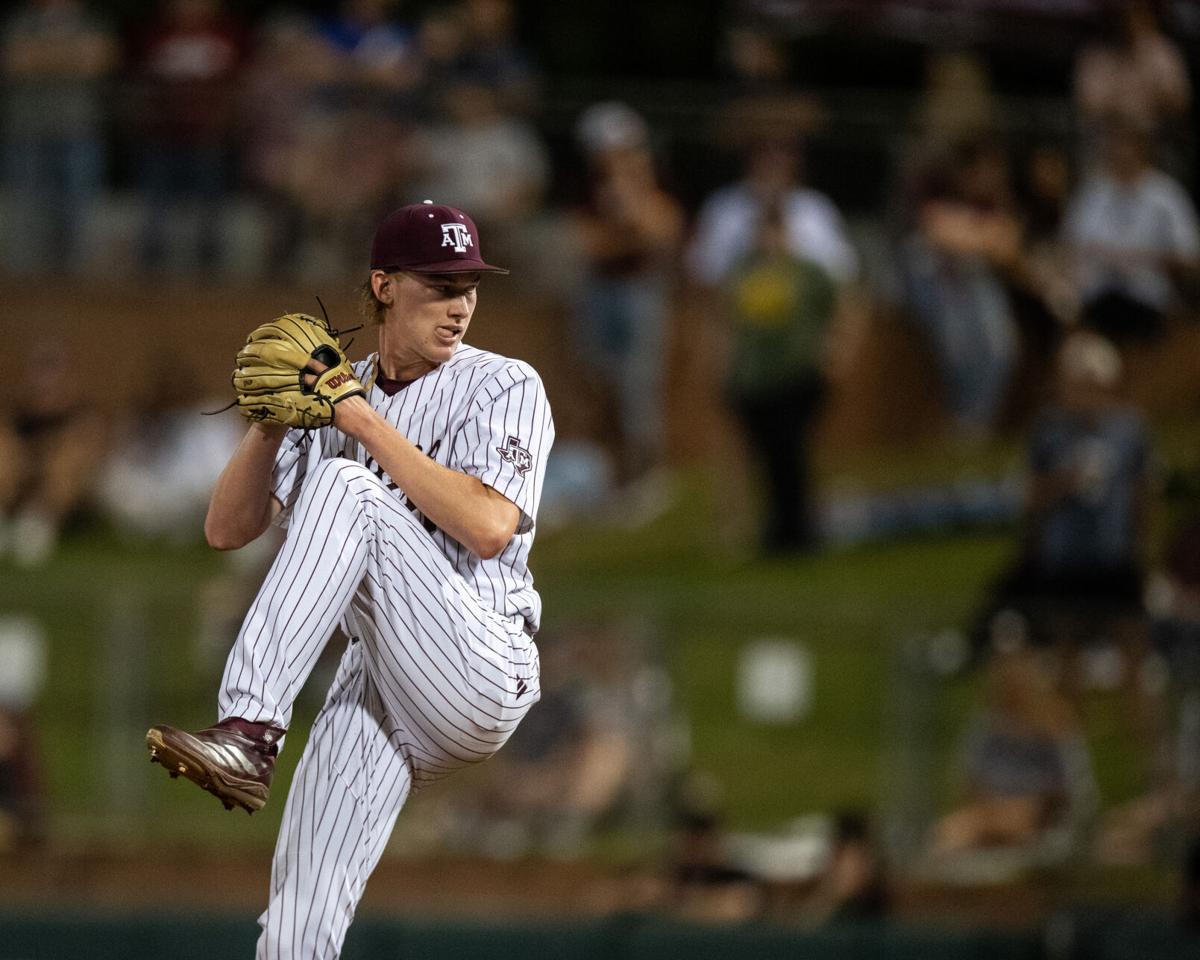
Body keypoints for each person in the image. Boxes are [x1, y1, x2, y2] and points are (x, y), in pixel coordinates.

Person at [146, 201, 554, 959]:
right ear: (384, 285)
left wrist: (359, 419)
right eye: (438, 283)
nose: (460, 302)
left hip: (480, 660)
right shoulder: (334, 391)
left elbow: (491, 528)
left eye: (469, 284)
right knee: (297, 920)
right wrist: (268, 423)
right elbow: (226, 530)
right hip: (379, 678)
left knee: (346, 489)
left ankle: (249, 731)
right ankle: (253, 737)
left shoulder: (503, 384)